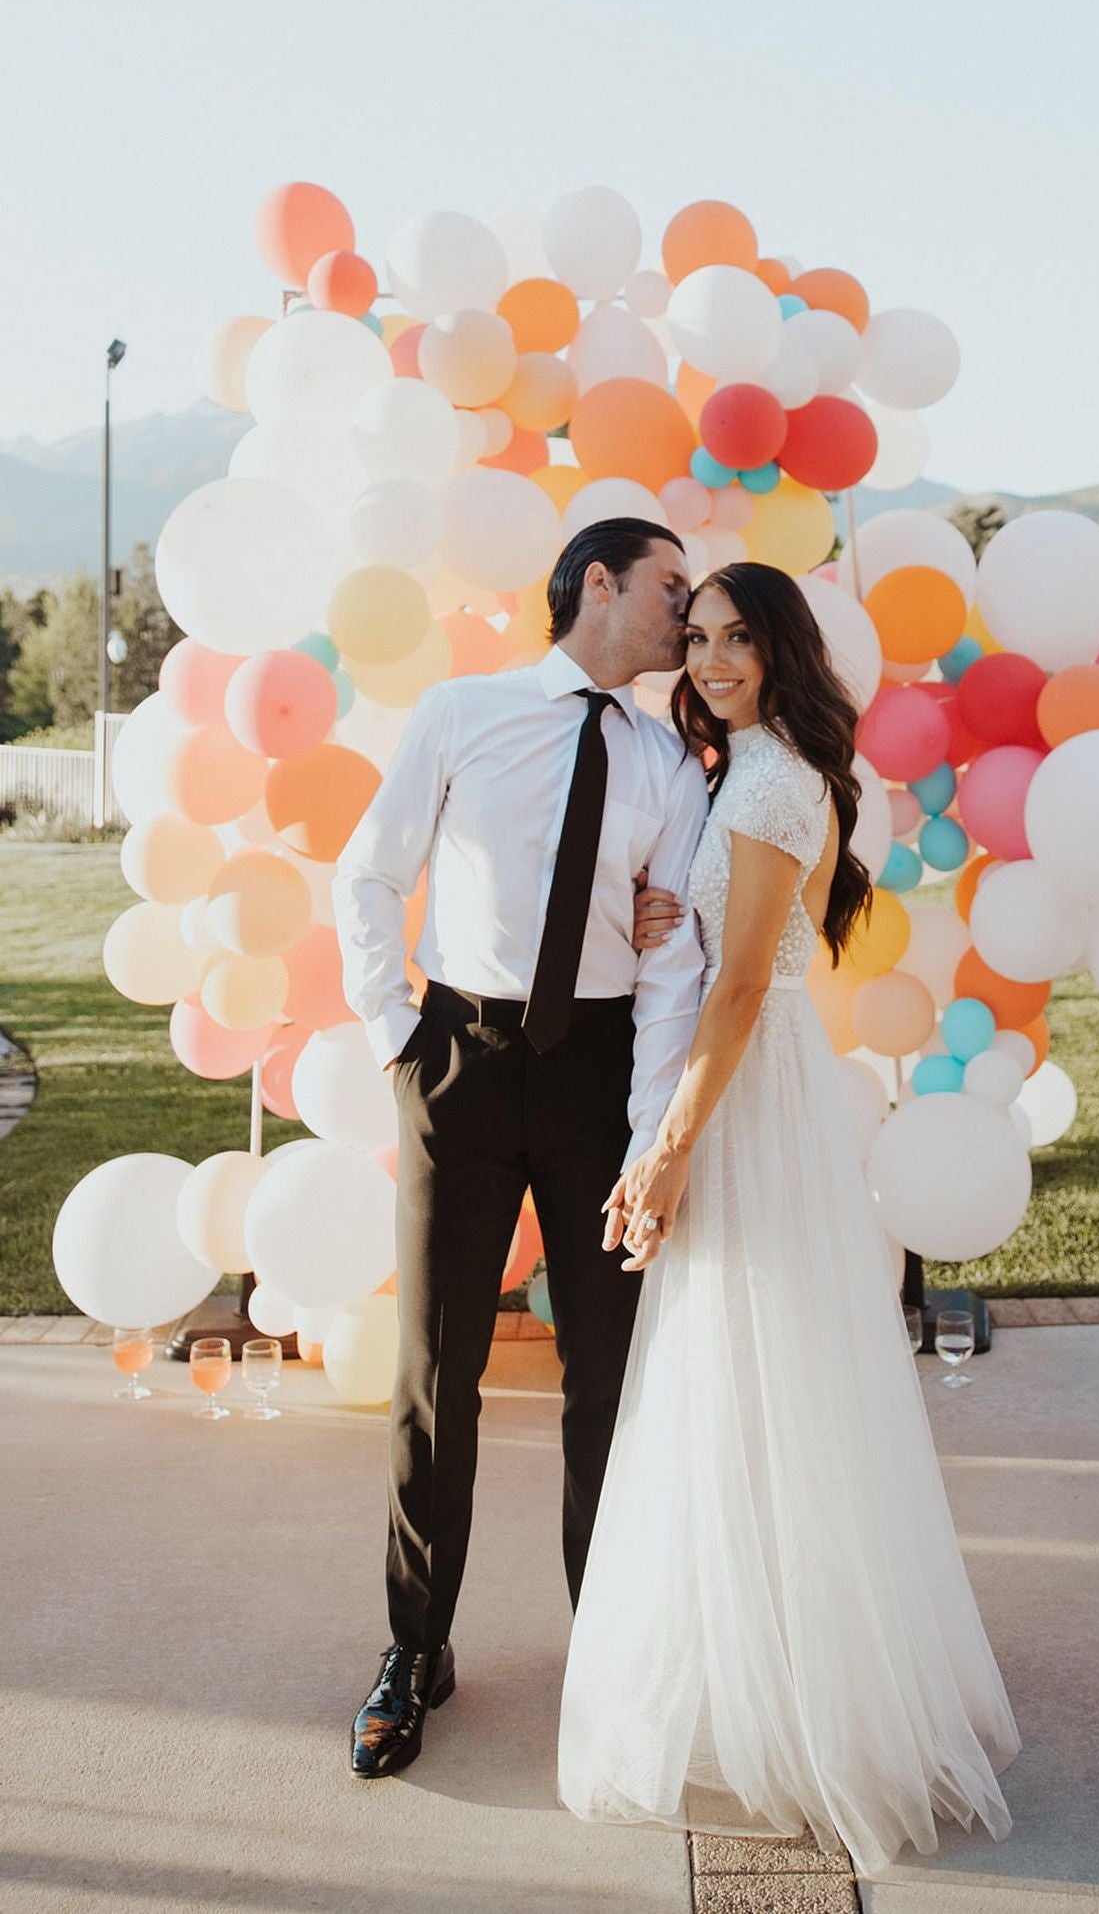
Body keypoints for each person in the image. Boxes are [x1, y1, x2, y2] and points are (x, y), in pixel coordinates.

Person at [558, 562, 1021, 1875]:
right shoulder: (756, 771)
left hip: (750, 1108)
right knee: (752, 1389)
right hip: (764, 1096)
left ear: (782, 648)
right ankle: (757, 1663)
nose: (708, 660)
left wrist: (667, 1151)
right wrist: (674, 908)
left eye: (736, 638)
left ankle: (804, 1704)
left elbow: (750, 985)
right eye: (695, 639)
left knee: (756, 1385)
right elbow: (736, 944)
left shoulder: (764, 783)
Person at [332, 518, 709, 1780]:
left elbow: (670, 955)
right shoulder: (462, 711)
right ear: (595, 584)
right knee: (438, 1376)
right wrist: (399, 1034)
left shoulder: (666, 761)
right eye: (670, 590)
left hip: (600, 1078)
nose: (685, 615)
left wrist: (650, 1121)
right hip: (463, 1061)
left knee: (607, 1380)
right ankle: (413, 1648)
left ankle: (604, 1656)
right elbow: (368, 873)